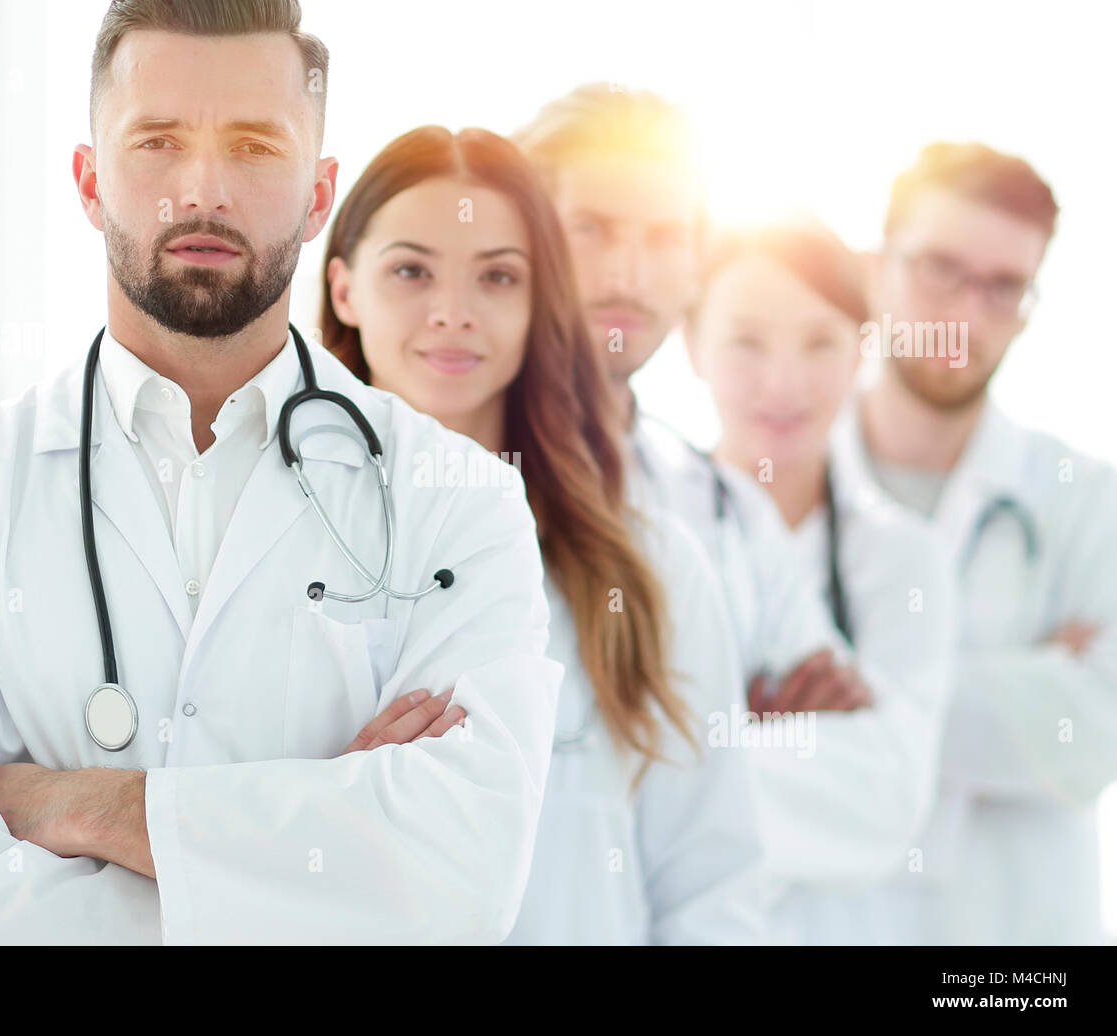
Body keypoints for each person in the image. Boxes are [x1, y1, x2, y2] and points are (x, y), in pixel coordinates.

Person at [0, 0, 565, 945]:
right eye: (158, 141)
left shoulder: (462, 507)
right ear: (89, 182)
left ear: (319, 193)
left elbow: (459, 887)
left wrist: (85, 809)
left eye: (255, 146)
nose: (202, 190)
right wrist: (323, 852)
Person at [513, 85, 947, 930]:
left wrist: (613, 747)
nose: (628, 273)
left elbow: (880, 796)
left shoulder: (728, 514)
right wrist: (722, 724)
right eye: (592, 227)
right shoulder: (442, 473)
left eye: (665, 238)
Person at [321, 124, 767, 944]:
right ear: (345, 291)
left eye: (497, 277)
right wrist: (332, 813)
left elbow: (712, 886)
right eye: (411, 271)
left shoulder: (652, 570)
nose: (452, 314)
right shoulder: (265, 550)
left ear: (538, 305)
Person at [836, 142, 1117, 944]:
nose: (966, 316)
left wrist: (850, 690)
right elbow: (734, 733)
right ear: (873, 269)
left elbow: (1097, 736)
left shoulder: (1089, 501)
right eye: (940, 269)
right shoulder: (774, 484)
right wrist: (1031, 678)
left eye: (1004, 288)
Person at [684, 220, 958, 943]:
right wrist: (778, 740)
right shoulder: (641, 540)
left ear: (862, 351)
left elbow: (887, 800)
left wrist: (708, 738)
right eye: (746, 342)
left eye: (820, 343)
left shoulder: (905, 560)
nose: (783, 382)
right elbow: (609, 776)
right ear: (691, 346)